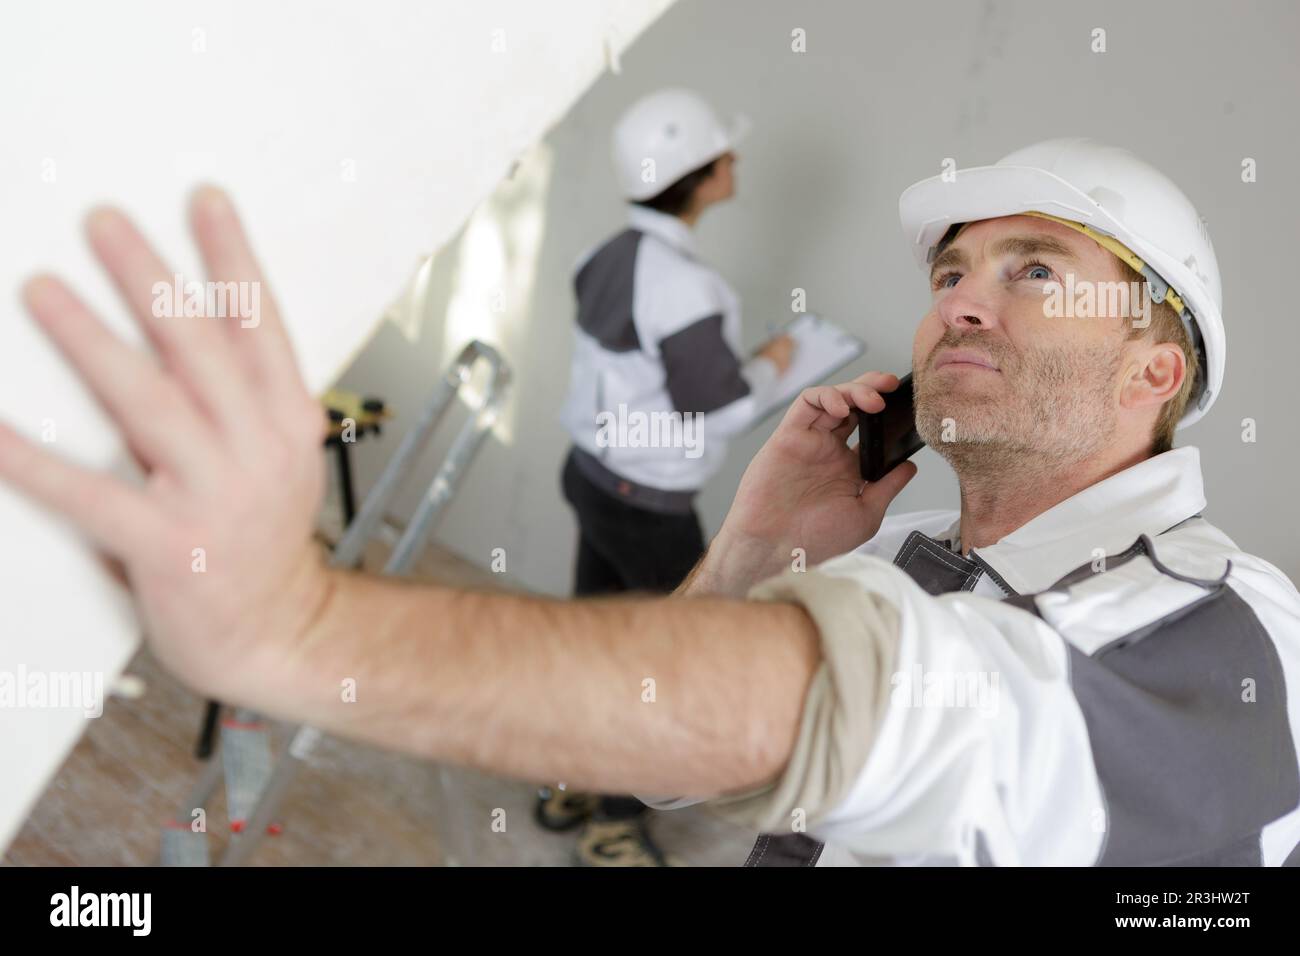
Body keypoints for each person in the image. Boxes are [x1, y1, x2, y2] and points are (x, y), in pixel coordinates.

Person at [3, 138, 1298, 866]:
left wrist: (296, 629)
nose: (961, 295)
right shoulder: (900, 556)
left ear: (1156, 369)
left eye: (1034, 268)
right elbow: (678, 771)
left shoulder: (1237, 635)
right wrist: (749, 552)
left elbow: (918, 716)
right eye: (955, 269)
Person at [547, 88, 794, 865]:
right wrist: (775, 364)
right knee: (658, 666)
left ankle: (569, 779)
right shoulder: (685, 286)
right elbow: (716, 409)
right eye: (727, 153)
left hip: (590, 477)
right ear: (701, 174)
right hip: (645, 507)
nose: (737, 161)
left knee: (596, 639)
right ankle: (614, 822)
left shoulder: (605, 255)